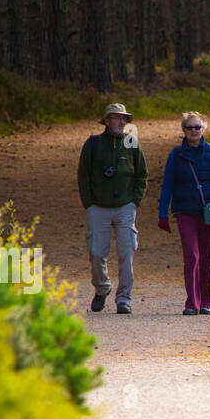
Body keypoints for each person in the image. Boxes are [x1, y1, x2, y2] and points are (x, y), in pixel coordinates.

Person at [156, 111, 210, 315]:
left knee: (207, 258)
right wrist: (163, 214)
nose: (193, 131)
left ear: (203, 129)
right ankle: (192, 302)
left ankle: (206, 301)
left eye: (197, 127)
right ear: (184, 130)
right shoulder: (176, 155)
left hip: (209, 213)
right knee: (192, 256)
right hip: (185, 212)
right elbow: (167, 185)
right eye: (189, 127)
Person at [77, 102, 148, 314]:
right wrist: (89, 204)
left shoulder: (132, 143)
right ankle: (102, 288)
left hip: (125, 207)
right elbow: (83, 175)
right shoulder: (93, 144)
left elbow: (142, 175)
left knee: (127, 253)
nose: (121, 122)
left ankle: (124, 298)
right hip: (98, 207)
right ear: (106, 121)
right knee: (97, 253)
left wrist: (135, 201)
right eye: (117, 118)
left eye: (124, 118)